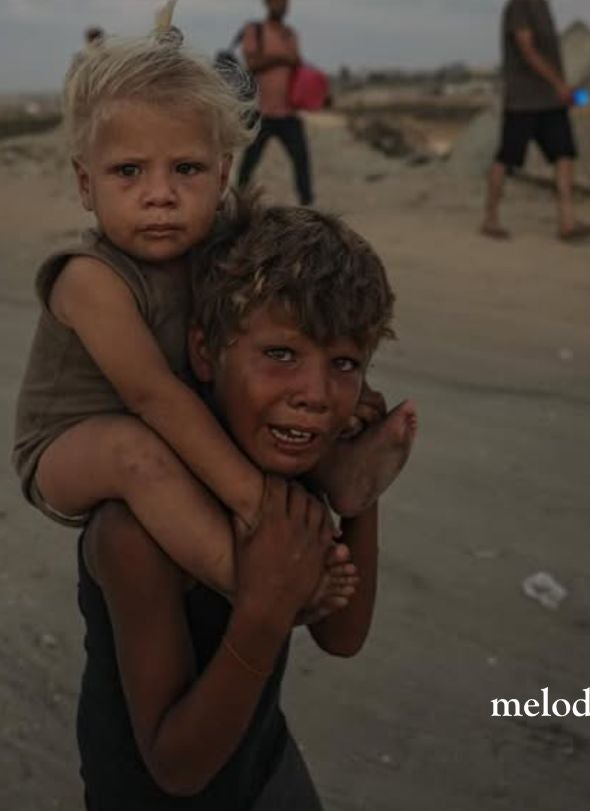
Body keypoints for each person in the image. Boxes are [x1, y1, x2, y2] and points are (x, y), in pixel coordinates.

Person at [12, 5, 414, 605]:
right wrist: (253, 501)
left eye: (187, 169)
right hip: (71, 447)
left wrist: (334, 394)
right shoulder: (89, 280)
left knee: (262, 400)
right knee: (133, 451)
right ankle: (259, 582)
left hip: (174, 418)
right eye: (128, 171)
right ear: (85, 184)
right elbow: (154, 396)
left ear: (223, 173)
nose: (160, 195)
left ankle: (339, 474)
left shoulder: (219, 237)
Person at [78, 202, 414, 809]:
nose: (314, 396)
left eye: (344, 365)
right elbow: (175, 766)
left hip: (267, 771)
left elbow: (342, 635)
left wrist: (354, 499)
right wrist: (263, 613)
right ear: (205, 353)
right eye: (282, 355)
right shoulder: (134, 528)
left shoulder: (288, 464)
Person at [480, 0, 590, 242]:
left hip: (550, 101)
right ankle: (490, 219)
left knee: (564, 154)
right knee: (506, 159)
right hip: (523, 101)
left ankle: (567, 222)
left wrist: (562, 90)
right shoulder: (519, 7)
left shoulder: (543, 7)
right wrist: (559, 84)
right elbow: (527, 48)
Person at [234, 0, 313, 206]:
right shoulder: (255, 30)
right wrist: (281, 58)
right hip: (262, 112)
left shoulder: (289, 34)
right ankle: (238, 205)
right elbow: (251, 64)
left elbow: (297, 65)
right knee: (249, 164)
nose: (282, 6)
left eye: (285, 3)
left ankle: (308, 208)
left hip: (288, 113)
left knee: (302, 162)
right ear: (267, 3)